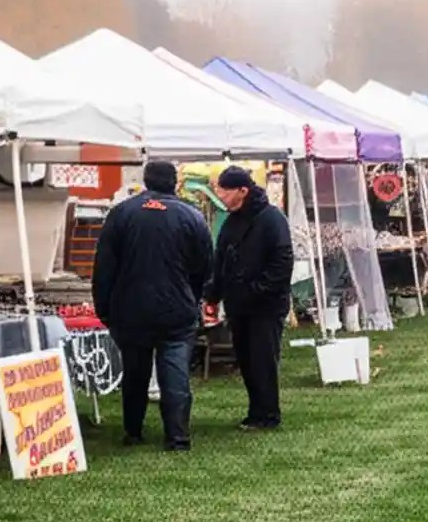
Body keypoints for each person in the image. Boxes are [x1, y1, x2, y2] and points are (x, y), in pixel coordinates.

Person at [93, 161, 213, 451]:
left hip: (130, 308)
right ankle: (178, 437)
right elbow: (205, 266)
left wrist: (104, 307)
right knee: (175, 372)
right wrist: (193, 297)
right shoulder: (192, 216)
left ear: (146, 181)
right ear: (175, 183)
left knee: (135, 371)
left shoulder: (121, 214)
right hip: (177, 309)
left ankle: (133, 431)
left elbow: (104, 267)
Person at [205, 166, 294, 431]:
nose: (219, 194)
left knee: (263, 359)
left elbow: (282, 259)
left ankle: (268, 414)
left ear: (242, 190)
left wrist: (259, 288)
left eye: (224, 189)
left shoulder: (271, 218)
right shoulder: (230, 221)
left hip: (265, 305)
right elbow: (220, 261)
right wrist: (213, 294)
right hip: (238, 304)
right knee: (245, 359)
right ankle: (256, 410)